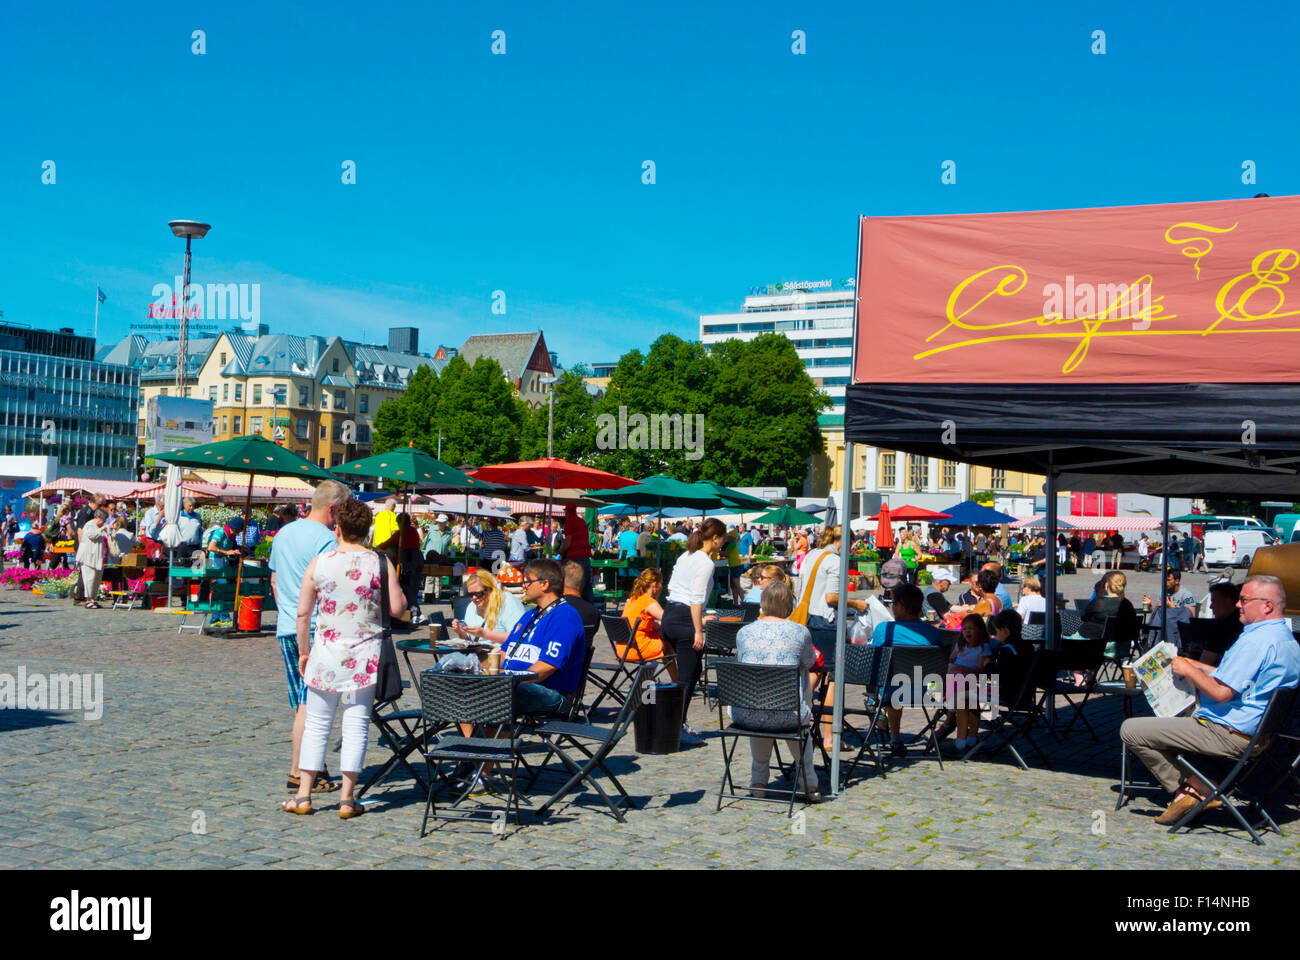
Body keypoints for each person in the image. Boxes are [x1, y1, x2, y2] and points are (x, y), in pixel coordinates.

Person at [1121, 575, 1300, 825]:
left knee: (1131, 730)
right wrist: (1196, 665)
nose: (1238, 604)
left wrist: (1188, 671)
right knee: (1174, 717)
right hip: (1258, 734)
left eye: (1245, 600)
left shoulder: (1255, 641)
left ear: (1267, 605)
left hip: (1227, 732)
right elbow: (1235, 678)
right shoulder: (1285, 639)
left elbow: (1221, 693)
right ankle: (1196, 787)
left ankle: (1196, 789)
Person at [282, 497, 407, 818]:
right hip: (364, 656)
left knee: (316, 724)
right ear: (367, 530)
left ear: (337, 528)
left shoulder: (321, 562)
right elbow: (398, 609)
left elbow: (303, 613)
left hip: (325, 653)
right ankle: (347, 798)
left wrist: (304, 651)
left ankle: (303, 795)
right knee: (356, 725)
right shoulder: (380, 563)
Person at [269, 479, 351, 796]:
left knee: (302, 703)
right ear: (333, 509)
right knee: (310, 705)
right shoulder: (326, 540)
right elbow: (331, 587)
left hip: (287, 625)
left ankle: (313, 767)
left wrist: (288, 611)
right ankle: (299, 772)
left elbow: (274, 580)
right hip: (315, 628)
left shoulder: (283, 533)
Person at [732, 579, 820, 803]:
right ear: (789, 605)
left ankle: (758, 780)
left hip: (746, 713)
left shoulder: (744, 632)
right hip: (788, 713)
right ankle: (808, 781)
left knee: (761, 702)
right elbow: (809, 662)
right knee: (797, 711)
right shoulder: (800, 632)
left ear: (763, 603)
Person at [660, 516, 727, 743]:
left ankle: (678, 722)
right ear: (715, 538)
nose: (723, 543)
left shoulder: (685, 556)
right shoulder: (706, 563)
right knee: (687, 678)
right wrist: (698, 629)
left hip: (670, 613)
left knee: (693, 670)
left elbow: (672, 588)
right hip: (684, 619)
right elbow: (696, 599)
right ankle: (675, 726)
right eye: (722, 539)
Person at [498, 558, 588, 716]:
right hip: (516, 684)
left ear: (544, 584)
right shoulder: (530, 615)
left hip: (549, 691)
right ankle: (481, 732)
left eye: (528, 581)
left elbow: (547, 667)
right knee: (464, 684)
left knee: (490, 694)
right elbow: (504, 652)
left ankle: (491, 731)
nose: (523, 586)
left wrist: (507, 681)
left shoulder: (564, 616)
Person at [871, 583, 944, 757]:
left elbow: (875, 660)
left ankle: (894, 735)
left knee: (888, 683)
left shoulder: (885, 630)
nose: (892, 608)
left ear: (901, 606)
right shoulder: (933, 633)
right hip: (930, 693)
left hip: (894, 693)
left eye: (894, 604)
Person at [796, 525, 844, 750]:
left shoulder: (812, 555)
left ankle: (799, 718)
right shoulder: (834, 561)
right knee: (832, 678)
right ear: (841, 541)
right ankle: (829, 737)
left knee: (812, 672)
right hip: (826, 621)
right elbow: (831, 598)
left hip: (808, 618)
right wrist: (856, 603)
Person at [947, 614, 993, 753]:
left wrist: (962, 668)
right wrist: (954, 665)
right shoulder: (961, 645)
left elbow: (980, 670)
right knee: (954, 681)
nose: (967, 631)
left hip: (973, 680)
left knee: (966, 697)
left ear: (980, 630)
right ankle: (963, 736)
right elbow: (951, 659)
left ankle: (950, 719)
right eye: (964, 629)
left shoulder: (983, 648)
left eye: (971, 628)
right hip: (957, 680)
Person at [619, 568, 676, 679]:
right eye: (661, 584)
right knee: (669, 646)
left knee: (664, 642)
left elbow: (640, 623)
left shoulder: (632, 600)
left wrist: (658, 626)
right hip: (636, 649)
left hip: (623, 648)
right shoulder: (649, 602)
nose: (662, 587)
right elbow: (669, 620)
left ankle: (677, 680)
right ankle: (679, 680)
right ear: (654, 585)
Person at [451, 567, 527, 645]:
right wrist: (462, 633)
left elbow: (518, 636)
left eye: (478, 594)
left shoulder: (507, 601)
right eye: (470, 594)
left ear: (490, 590)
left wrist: (484, 634)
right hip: (478, 651)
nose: (474, 598)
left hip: (502, 651)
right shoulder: (471, 606)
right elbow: (470, 642)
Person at [75, 508, 112, 609]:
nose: (104, 522)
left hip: (97, 558)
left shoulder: (98, 527)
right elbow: (92, 535)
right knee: (89, 578)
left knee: (97, 579)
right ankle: (88, 600)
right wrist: (102, 528)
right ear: (99, 518)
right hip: (88, 557)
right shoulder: (89, 525)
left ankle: (93, 599)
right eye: (103, 520)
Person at [557, 504, 594, 603]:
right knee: (586, 584)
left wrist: (561, 551)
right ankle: (590, 606)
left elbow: (568, 541)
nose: (565, 513)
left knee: (571, 585)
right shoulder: (582, 522)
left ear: (568, 511)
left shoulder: (569, 522)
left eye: (566, 511)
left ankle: (574, 605)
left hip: (573, 558)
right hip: (585, 556)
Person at [562, 560, 602, 641]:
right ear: (584, 583)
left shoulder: (556, 609)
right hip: (584, 649)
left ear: (562, 582)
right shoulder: (594, 612)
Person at [397, 513, 425, 615]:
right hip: (418, 556)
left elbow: (388, 543)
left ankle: (415, 612)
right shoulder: (414, 530)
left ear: (400, 522)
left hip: (409, 558)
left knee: (408, 586)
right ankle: (412, 612)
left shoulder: (401, 532)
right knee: (414, 586)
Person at [372, 498, 400, 563]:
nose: (395, 507)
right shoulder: (393, 515)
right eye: (394, 506)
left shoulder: (378, 515)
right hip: (388, 547)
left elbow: (374, 531)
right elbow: (395, 531)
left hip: (377, 546)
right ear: (393, 506)